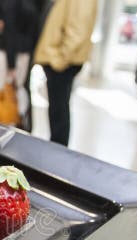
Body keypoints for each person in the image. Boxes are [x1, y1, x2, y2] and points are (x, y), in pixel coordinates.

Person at [34, 0, 98, 147]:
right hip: (59, 59)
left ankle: (58, 153)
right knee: (57, 110)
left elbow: (79, 30)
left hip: (63, 62)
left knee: (59, 113)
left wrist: (59, 58)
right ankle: (56, 149)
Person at [0, 0, 38, 127]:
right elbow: (10, 31)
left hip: (16, 52)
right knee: (2, 89)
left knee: (12, 90)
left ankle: (11, 121)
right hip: (10, 53)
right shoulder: (14, 3)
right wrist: (11, 64)